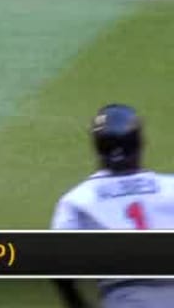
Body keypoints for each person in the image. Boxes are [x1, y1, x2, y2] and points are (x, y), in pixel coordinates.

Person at [51, 104, 174, 307]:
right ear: (140, 143)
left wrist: (76, 303)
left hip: (126, 298)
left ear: (97, 148)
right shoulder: (170, 186)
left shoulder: (77, 199)